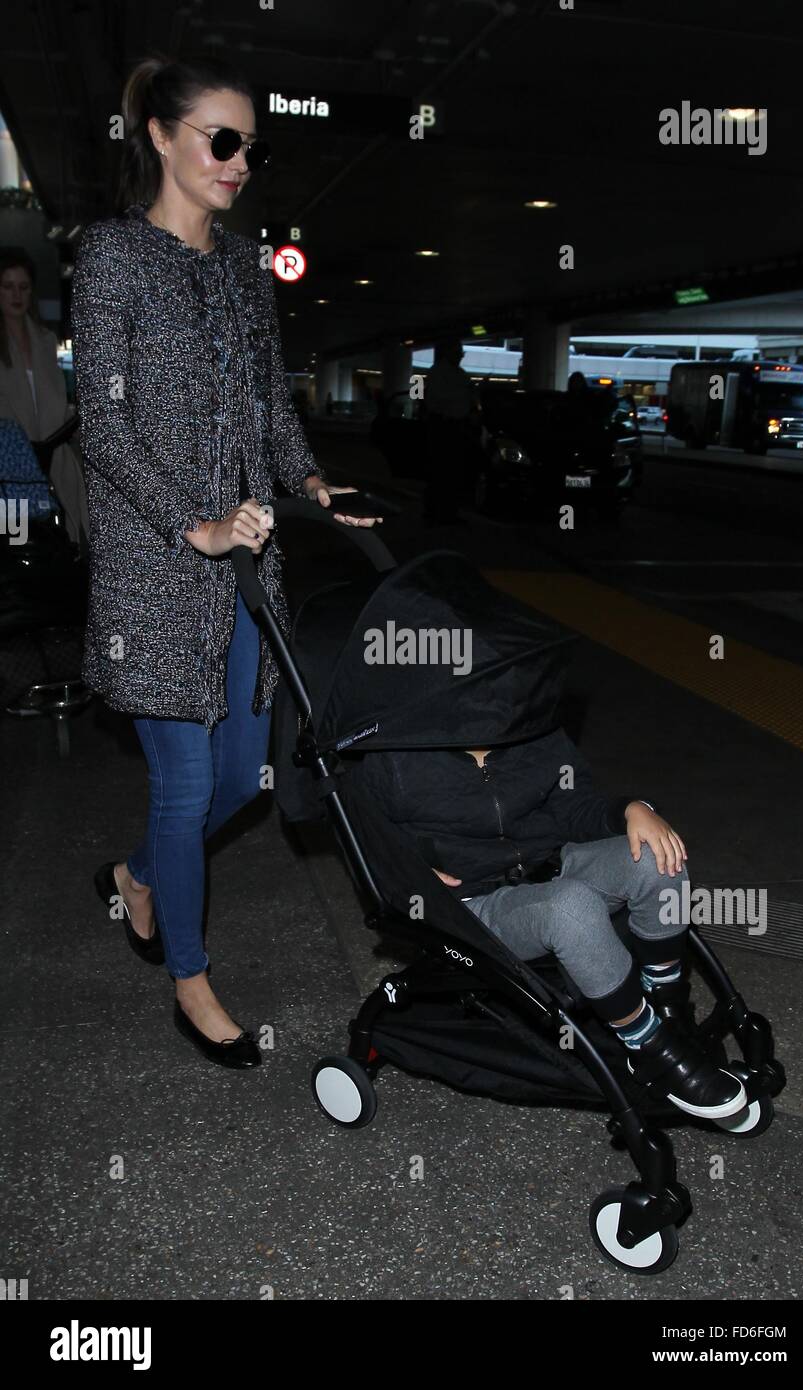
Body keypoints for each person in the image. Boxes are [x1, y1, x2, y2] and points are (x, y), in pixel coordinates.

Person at [71, 52, 382, 1069]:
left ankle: (140, 878)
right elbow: (105, 428)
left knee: (252, 770)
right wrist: (188, 525)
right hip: (155, 569)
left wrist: (312, 484)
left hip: (248, 563)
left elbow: (269, 408)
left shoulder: (248, 265)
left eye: (251, 143)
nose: (240, 160)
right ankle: (191, 981)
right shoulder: (111, 257)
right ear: (161, 137)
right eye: (221, 138)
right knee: (185, 781)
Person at [355, 728, 747, 1119]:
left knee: (657, 858)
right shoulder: (395, 758)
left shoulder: (535, 734)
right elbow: (368, 837)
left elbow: (579, 810)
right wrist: (405, 872)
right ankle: (646, 1045)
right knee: (570, 907)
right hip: (473, 904)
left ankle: (668, 1010)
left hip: (553, 865)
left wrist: (633, 809)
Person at [0, 248, 89, 544]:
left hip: (56, 460)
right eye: (8, 286)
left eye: (23, 287)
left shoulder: (45, 340)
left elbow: (56, 404)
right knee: (18, 547)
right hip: (12, 467)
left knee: (62, 549)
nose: (16, 295)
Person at [422, 335, 479, 523]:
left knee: (452, 472)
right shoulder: (439, 372)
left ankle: (447, 512)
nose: (461, 356)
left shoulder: (459, 374)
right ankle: (435, 513)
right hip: (442, 426)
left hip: (455, 426)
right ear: (450, 352)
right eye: (459, 352)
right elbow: (437, 399)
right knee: (440, 471)